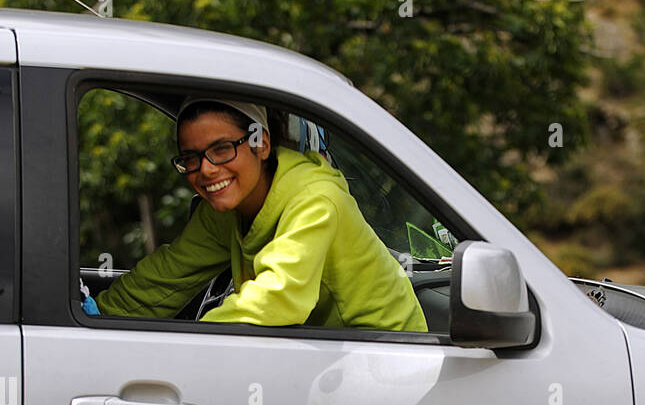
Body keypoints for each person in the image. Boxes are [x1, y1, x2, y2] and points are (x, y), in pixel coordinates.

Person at [93, 97, 428, 332]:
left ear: (261, 144)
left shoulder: (315, 200)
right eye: (191, 157)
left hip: (386, 359)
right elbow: (164, 280)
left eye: (222, 149)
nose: (207, 169)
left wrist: (187, 343)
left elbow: (279, 298)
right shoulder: (227, 209)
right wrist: (92, 316)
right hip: (311, 354)